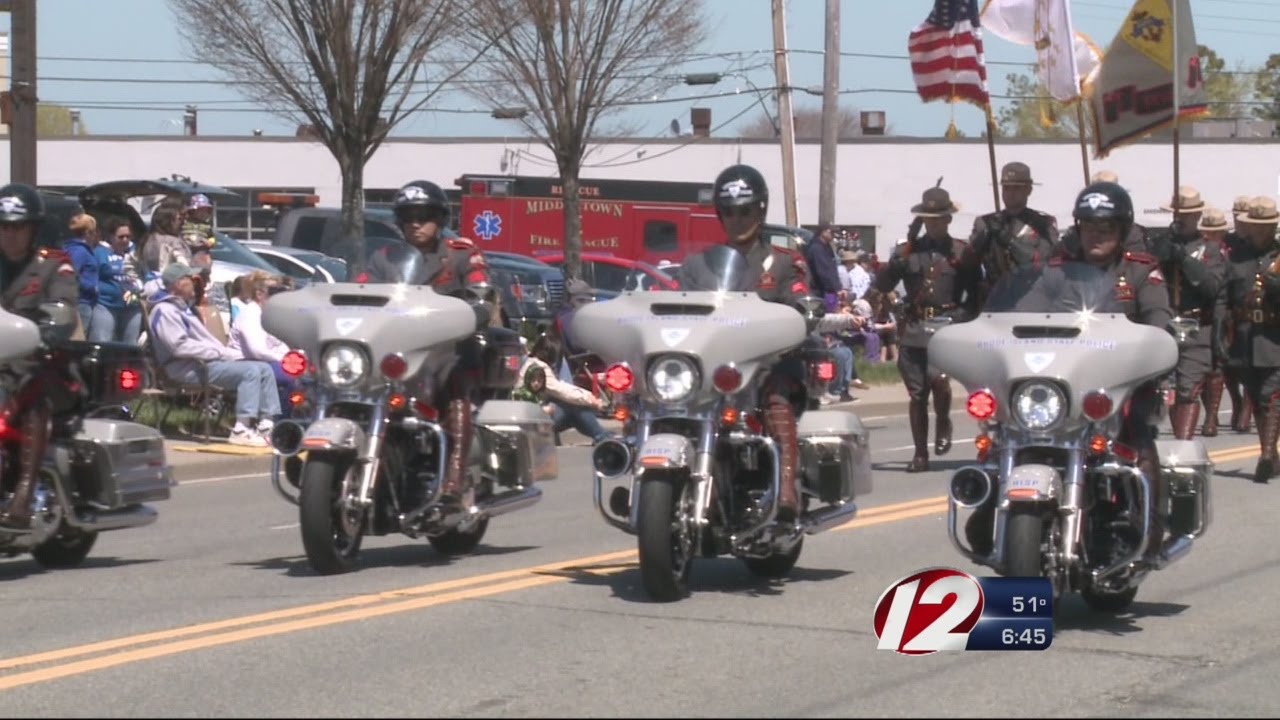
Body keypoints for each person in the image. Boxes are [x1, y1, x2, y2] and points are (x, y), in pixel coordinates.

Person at [976, 181, 1174, 564]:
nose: (1095, 236)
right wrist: (992, 334)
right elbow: (1017, 313)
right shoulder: (1055, 272)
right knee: (1005, 433)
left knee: (1138, 436)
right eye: (1088, 227)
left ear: (1121, 230)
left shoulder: (1140, 272)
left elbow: (1158, 320)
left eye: (1105, 229)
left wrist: (1159, 339)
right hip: (1059, 384)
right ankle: (988, 511)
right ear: (1078, 228)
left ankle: (1148, 532)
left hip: (1121, 386)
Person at [673, 164, 815, 523]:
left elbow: (799, 304)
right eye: (729, 212)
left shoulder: (784, 263)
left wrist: (799, 313)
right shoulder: (698, 266)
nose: (737, 219)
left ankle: (785, 492)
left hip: (769, 364)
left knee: (778, 397)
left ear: (761, 210)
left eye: (745, 210)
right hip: (711, 368)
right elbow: (677, 311)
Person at [360, 179, 498, 510]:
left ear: (440, 219)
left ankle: (454, 476)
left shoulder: (461, 255)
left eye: (424, 216)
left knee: (456, 385)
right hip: (395, 349)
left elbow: (482, 293)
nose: (416, 224)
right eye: (408, 217)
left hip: (447, 349)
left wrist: (477, 306)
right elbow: (361, 291)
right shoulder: (384, 258)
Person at [874, 185, 979, 473]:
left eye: (938, 219)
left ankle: (943, 420)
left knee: (940, 382)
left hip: (946, 326)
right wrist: (892, 267)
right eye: (928, 219)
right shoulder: (908, 251)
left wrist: (963, 318)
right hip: (915, 326)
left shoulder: (961, 252)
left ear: (948, 220)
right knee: (917, 394)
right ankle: (920, 454)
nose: (933, 224)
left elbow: (976, 293)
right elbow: (882, 286)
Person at [0, 183, 79, 529]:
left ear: (33, 228)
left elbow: (63, 308)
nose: (10, 234)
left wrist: (50, 325)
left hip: (41, 364)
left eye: (17, 227)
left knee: (34, 390)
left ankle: (23, 492)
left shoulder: (53, 265)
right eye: (3, 226)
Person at [148, 262, 283, 447]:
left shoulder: (182, 309)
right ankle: (241, 429)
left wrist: (223, 353)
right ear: (178, 284)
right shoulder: (164, 311)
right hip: (184, 369)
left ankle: (267, 425)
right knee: (250, 371)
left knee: (264, 368)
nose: (196, 283)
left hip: (202, 364)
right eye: (190, 279)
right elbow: (178, 347)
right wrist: (215, 353)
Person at [1147, 187, 1225, 439]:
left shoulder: (1211, 250)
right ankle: (1177, 438)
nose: (1182, 219)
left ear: (1198, 215)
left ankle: (1183, 443)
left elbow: (1211, 287)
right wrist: (1162, 251)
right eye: (1178, 214)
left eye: (1189, 214)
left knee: (1188, 388)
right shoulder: (1161, 246)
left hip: (1196, 325)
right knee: (1166, 388)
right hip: (1167, 322)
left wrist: (1185, 260)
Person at [1222, 196, 1280, 483]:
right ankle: (1271, 453)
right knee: (1257, 397)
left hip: (1275, 336)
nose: (1259, 231)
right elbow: (1224, 294)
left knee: (1273, 395)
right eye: (1255, 225)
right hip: (1245, 335)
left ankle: (1266, 457)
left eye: (1264, 226)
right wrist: (1221, 330)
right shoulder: (1237, 256)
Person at [961, 161, 1060, 306]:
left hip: (1030, 298)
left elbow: (1043, 261)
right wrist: (983, 237)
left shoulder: (1043, 224)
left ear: (1029, 190)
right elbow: (967, 263)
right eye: (1007, 188)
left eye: (1017, 188)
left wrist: (1009, 240)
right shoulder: (985, 222)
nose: (1010, 194)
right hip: (994, 299)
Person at [517, 332, 611, 443]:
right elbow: (563, 391)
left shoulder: (531, 362)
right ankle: (601, 436)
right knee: (573, 405)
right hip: (533, 420)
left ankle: (599, 435)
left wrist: (588, 397)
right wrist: (591, 400)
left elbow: (562, 387)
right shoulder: (539, 367)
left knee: (574, 414)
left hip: (532, 416)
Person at [1194, 208, 1232, 437]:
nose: (1210, 235)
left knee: (1218, 365)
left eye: (1214, 231)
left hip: (1224, 309)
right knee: (1202, 367)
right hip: (1202, 310)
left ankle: (1211, 417)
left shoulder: (1227, 252)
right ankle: (1211, 413)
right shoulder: (1198, 252)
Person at [1221, 195, 1256, 433]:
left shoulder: (1259, 244)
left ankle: (1247, 406)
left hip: (1255, 311)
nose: (1238, 218)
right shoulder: (1228, 241)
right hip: (1230, 309)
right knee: (1228, 364)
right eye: (1236, 213)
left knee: (1252, 365)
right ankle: (1235, 400)